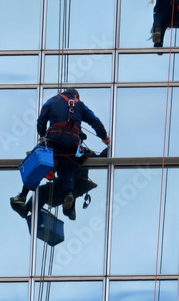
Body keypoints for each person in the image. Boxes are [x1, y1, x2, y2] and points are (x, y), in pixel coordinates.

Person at [10, 88, 109, 220]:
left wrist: (43, 135)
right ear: (75, 96)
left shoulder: (51, 101)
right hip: (73, 145)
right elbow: (94, 121)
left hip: (54, 142)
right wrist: (104, 137)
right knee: (69, 160)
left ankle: (23, 195)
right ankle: (69, 194)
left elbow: (41, 121)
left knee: (39, 161)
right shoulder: (79, 104)